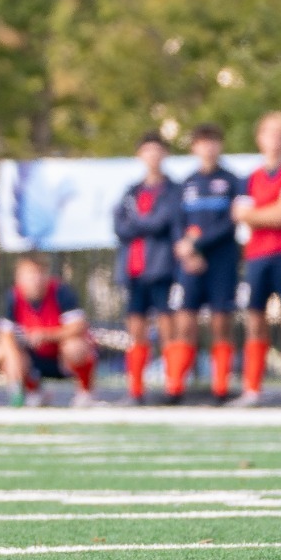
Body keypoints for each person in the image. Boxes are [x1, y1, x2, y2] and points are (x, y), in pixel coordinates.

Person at [232, 111, 281, 407]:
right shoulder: (249, 178)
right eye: (269, 133)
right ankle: (252, 389)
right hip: (256, 258)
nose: (275, 141)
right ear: (260, 138)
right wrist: (266, 214)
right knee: (254, 320)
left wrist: (259, 215)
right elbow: (240, 215)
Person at [113, 131, 186, 406]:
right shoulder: (132, 191)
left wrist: (139, 224)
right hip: (134, 269)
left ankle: (173, 385)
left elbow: (162, 222)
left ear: (165, 154)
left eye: (157, 150)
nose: (152, 156)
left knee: (168, 325)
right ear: (140, 155)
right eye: (147, 151)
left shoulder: (172, 190)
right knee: (135, 328)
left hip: (161, 268)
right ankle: (135, 389)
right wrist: (145, 224)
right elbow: (119, 226)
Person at [172, 123, 241, 403]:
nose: (208, 147)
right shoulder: (186, 183)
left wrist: (197, 245)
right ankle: (175, 386)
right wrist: (185, 249)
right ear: (194, 147)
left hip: (222, 261)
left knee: (220, 322)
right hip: (190, 264)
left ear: (220, 145)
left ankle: (220, 387)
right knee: (185, 321)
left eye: (213, 141)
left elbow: (230, 222)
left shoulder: (232, 181)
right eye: (202, 142)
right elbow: (178, 223)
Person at [0, 256, 95, 407]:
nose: (35, 279)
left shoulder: (61, 292)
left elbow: (78, 326)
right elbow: (5, 333)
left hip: (60, 356)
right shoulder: (13, 297)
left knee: (75, 347)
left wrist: (47, 336)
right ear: (19, 277)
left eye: (39, 273)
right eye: (29, 274)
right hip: (33, 355)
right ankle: (31, 391)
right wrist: (13, 360)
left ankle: (85, 392)